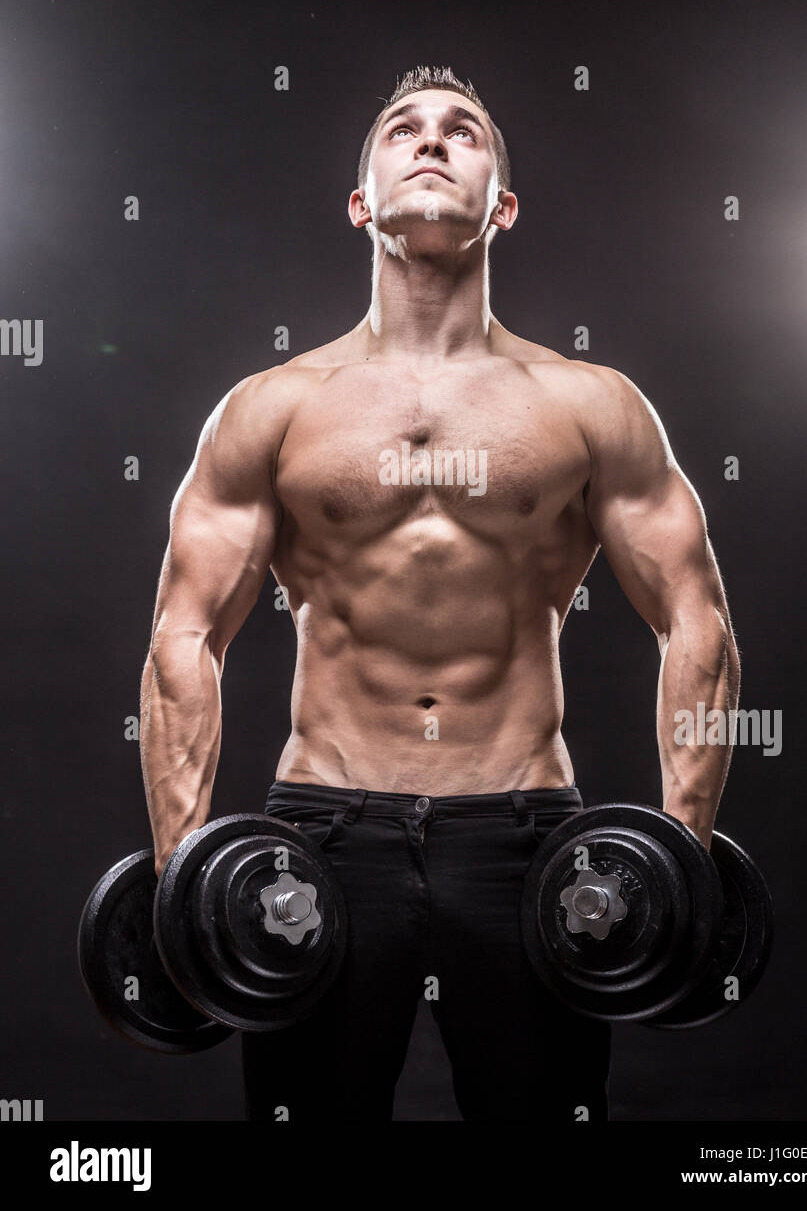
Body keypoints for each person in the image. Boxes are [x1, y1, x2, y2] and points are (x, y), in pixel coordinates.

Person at [139, 65, 739, 1121]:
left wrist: (679, 853)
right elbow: (183, 635)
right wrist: (179, 872)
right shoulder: (271, 408)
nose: (431, 141)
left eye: (462, 131)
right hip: (322, 830)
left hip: (522, 836)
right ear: (361, 200)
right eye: (401, 130)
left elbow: (696, 617)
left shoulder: (589, 404)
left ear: (499, 204)